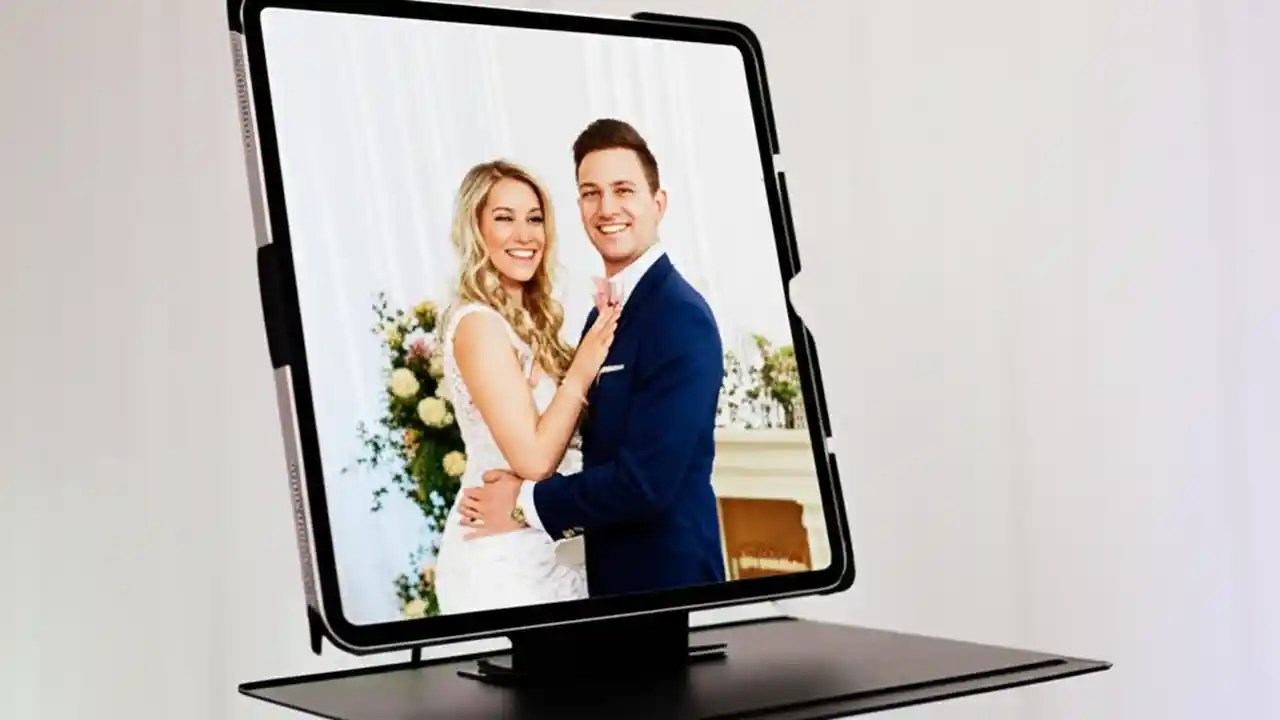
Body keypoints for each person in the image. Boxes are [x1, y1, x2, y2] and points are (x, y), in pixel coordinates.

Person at [459, 118, 728, 598]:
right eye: (590, 193)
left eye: (624, 190)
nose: (607, 209)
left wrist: (524, 502)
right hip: (596, 578)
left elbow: (646, 482)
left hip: (663, 583)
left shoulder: (679, 315)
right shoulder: (600, 317)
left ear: (658, 204)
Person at [431, 159, 621, 614]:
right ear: (475, 228)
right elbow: (535, 460)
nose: (524, 235)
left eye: (534, 218)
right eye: (504, 218)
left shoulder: (531, 324)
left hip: (549, 549)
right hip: (501, 561)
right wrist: (582, 368)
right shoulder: (479, 325)